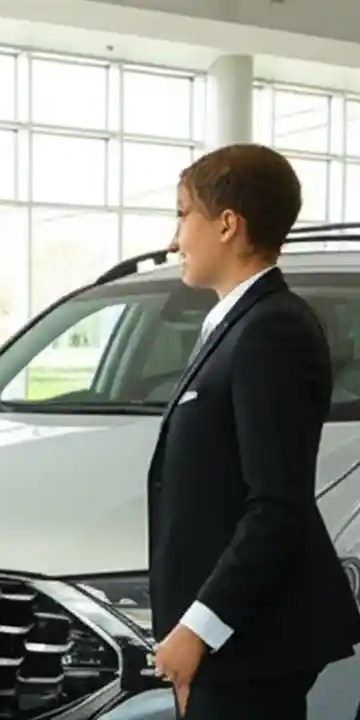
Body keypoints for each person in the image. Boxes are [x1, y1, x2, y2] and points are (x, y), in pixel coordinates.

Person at [150, 144, 360, 719]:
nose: (174, 239)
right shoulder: (236, 324)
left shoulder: (272, 331)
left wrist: (199, 629)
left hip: (251, 641)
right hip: (232, 643)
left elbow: (276, 506)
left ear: (227, 225)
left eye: (182, 215)